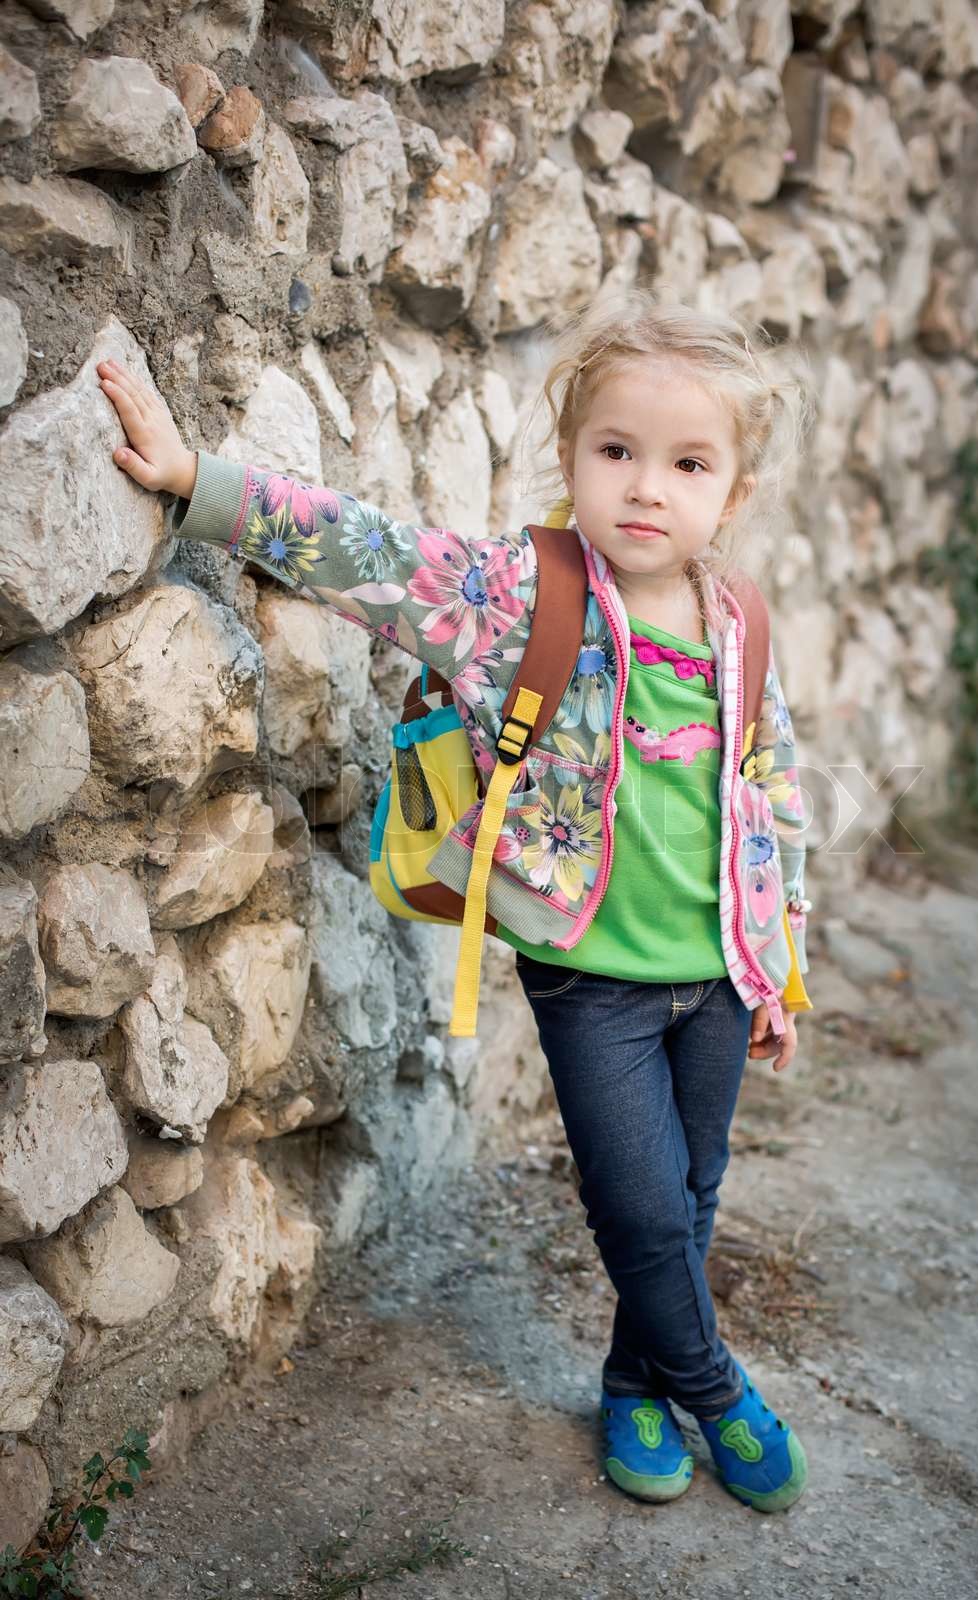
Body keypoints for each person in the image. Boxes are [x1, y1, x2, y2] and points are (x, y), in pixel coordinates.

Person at [96, 289, 816, 1515]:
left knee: (688, 1196)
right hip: (591, 976)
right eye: (616, 452)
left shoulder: (736, 619)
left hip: (719, 970)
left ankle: (634, 1386)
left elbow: (769, 793)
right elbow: (366, 554)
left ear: (730, 493)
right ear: (572, 455)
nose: (646, 487)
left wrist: (777, 961)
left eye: (686, 464)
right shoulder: (515, 594)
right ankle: (713, 1387)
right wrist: (196, 481)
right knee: (636, 1198)